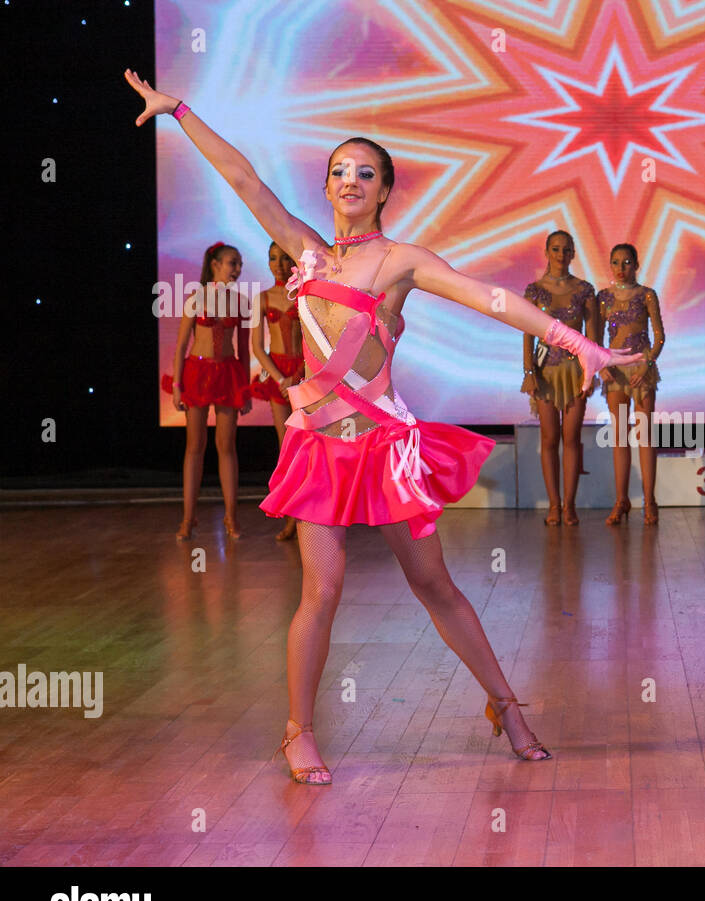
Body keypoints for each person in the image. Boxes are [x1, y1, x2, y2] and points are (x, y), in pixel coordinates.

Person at [126, 69, 643, 782]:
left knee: (436, 587)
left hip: (384, 449)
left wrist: (578, 343)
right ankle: (297, 731)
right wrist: (177, 109)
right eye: (340, 171)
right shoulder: (305, 253)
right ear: (329, 184)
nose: (350, 181)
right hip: (318, 450)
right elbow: (244, 180)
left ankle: (507, 706)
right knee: (323, 591)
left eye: (365, 173)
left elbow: (490, 298)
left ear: (384, 189)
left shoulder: (401, 261)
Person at [161, 242, 251, 539]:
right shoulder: (195, 299)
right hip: (197, 373)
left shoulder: (241, 302)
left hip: (227, 373)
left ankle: (231, 517)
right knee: (194, 447)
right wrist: (176, 386)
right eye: (232, 263)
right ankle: (188, 519)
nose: (237, 269)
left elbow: (244, 351)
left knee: (226, 447)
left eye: (239, 264)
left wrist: (247, 391)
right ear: (215, 264)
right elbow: (181, 345)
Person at [520, 231, 599, 526]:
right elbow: (527, 334)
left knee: (572, 438)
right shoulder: (534, 291)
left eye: (566, 249)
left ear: (573, 253)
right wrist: (529, 373)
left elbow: (593, 338)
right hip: (545, 373)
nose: (561, 254)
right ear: (547, 251)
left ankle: (570, 505)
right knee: (550, 438)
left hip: (576, 372)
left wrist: (591, 374)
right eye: (556, 249)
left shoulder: (584, 290)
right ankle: (554, 505)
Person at [597, 243, 665, 525]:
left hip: (641, 370)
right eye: (616, 262)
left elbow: (659, 335)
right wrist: (601, 365)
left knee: (646, 437)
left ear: (636, 264)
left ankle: (649, 501)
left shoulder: (647, 295)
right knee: (619, 438)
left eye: (626, 262)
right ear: (610, 265)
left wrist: (647, 364)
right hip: (615, 372)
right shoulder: (603, 298)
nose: (621, 268)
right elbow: (594, 339)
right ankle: (621, 500)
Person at [248, 241, 304, 540]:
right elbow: (257, 346)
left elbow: (314, 340)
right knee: (287, 449)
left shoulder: (304, 294)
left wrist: (296, 376)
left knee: (307, 445)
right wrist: (281, 379)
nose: (278, 264)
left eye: (284, 258)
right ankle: (293, 516)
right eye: (272, 259)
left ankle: (313, 513)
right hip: (277, 375)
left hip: (304, 375)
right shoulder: (261, 299)